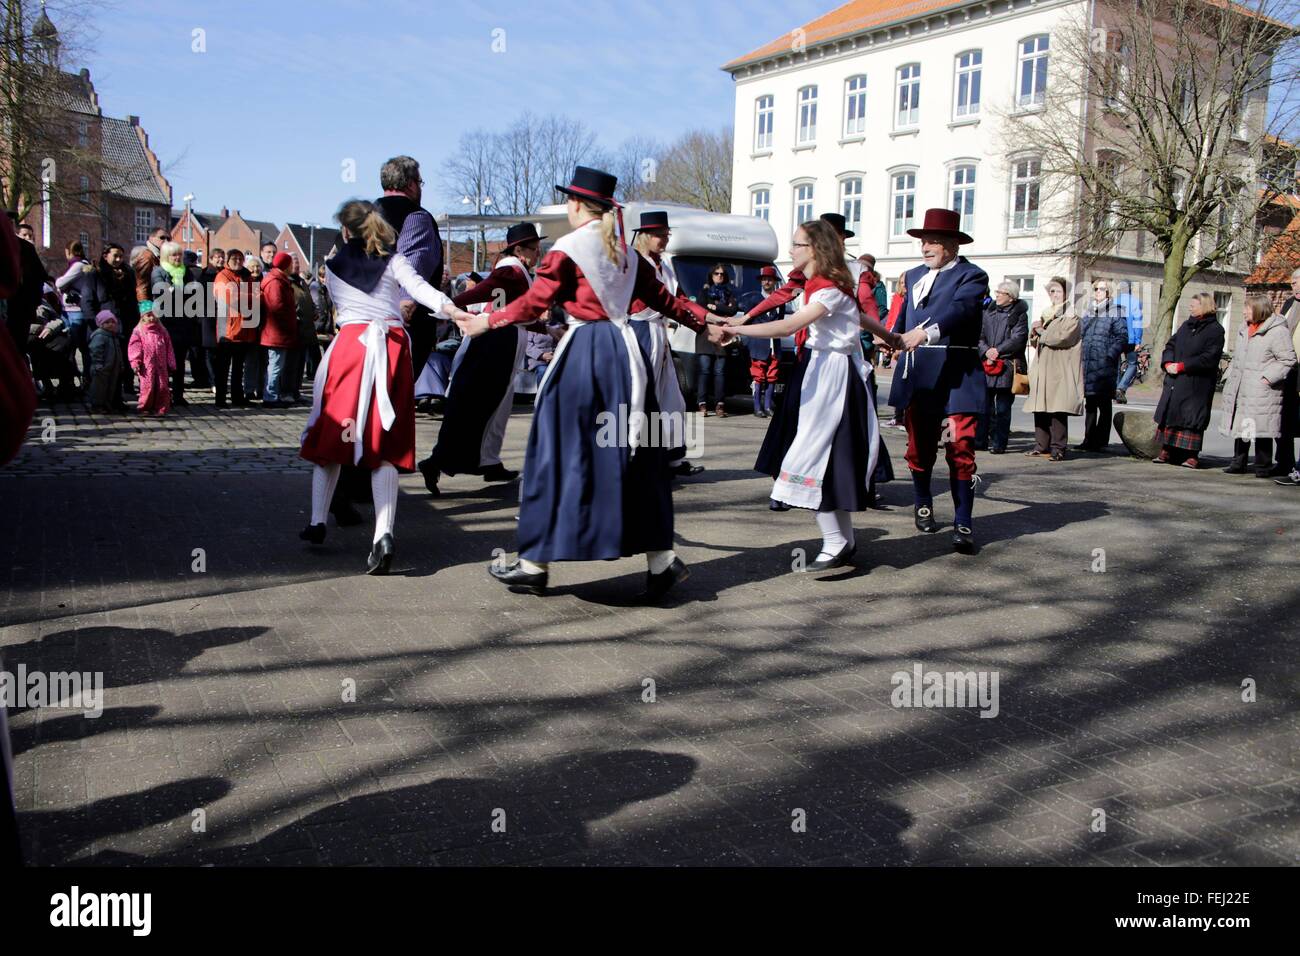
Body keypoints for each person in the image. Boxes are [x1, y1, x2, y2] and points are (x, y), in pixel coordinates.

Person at [454, 165, 712, 600]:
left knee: (556, 453)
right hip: (628, 361)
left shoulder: (568, 249)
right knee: (636, 457)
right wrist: (706, 324)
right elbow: (665, 300)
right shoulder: (625, 251)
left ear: (575, 204)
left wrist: (485, 322)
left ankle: (535, 564)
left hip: (586, 358)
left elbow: (535, 303)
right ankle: (661, 561)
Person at [299, 200, 476, 574]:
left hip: (349, 350)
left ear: (346, 231)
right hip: (390, 350)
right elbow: (422, 291)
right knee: (384, 442)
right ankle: (383, 534)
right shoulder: (396, 261)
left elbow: (342, 309)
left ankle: (316, 520)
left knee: (332, 437)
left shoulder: (331, 268)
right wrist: (457, 312)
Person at [720, 219, 897, 572]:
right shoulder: (823, 285)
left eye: (796, 245)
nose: (790, 250)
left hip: (831, 377)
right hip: (821, 373)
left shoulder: (828, 287)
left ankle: (836, 540)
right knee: (824, 456)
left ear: (814, 249)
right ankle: (842, 540)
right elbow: (860, 317)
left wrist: (734, 329)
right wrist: (892, 337)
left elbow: (790, 325)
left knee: (813, 454)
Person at [886, 208, 989, 554]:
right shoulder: (913, 275)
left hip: (958, 374)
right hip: (920, 376)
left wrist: (923, 333)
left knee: (960, 448)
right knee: (919, 448)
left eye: (933, 241)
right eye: (922, 241)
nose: (925, 246)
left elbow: (960, 311)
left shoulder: (972, 276)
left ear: (952, 244)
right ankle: (923, 501)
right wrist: (890, 340)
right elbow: (902, 320)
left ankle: (963, 521)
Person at [418, 222, 542, 496]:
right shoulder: (510, 271)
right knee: (480, 406)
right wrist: (453, 306)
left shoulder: (515, 272)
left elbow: (510, 310)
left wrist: (545, 328)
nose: (538, 253)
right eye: (534, 249)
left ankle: (489, 461)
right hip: (497, 345)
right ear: (520, 250)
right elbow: (487, 291)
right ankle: (438, 461)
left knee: (494, 405)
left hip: (500, 340)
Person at [630, 210, 703, 476]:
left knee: (672, 397)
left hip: (658, 332)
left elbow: (680, 299)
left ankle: (671, 457)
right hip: (640, 331)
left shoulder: (664, 266)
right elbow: (666, 302)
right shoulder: (637, 263)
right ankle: (635, 457)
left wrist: (712, 318)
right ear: (644, 236)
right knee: (640, 396)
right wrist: (704, 325)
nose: (664, 240)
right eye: (660, 235)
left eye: (666, 235)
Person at [1219, 294, 1296, 476]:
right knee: (1241, 423)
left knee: (1262, 425)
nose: (1244, 311)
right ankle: (1239, 461)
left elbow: (1288, 359)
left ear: (1258, 310)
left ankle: (1263, 465)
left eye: (1247, 308)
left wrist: (1268, 378)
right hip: (1242, 384)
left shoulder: (1277, 331)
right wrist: (1230, 375)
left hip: (1263, 387)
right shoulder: (1243, 329)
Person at [1152, 291, 1226, 468]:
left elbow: (1210, 357)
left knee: (1192, 418)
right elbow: (1171, 344)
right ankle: (1166, 450)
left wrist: (1184, 366)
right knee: (1171, 413)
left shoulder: (1215, 330)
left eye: (1194, 304)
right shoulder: (1186, 325)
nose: (1190, 307)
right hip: (1175, 380)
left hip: (1196, 383)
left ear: (1205, 306)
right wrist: (1168, 362)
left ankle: (1191, 455)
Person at [1025, 277, 1084, 460]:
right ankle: (1041, 444)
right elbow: (1037, 341)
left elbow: (1061, 338)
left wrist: (1041, 331)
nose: (1055, 295)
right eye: (1052, 291)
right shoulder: (1046, 313)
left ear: (1066, 293)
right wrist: (1034, 333)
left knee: (1057, 408)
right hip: (1043, 366)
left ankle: (1058, 448)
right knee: (1040, 406)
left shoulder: (1071, 315)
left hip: (1060, 367)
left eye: (1058, 291)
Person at [976, 281, 1029, 454]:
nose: (997, 294)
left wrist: (997, 351)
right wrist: (986, 351)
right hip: (988, 364)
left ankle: (999, 443)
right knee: (984, 406)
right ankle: (980, 440)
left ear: (1011, 297)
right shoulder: (988, 312)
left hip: (1008, 366)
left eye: (1002, 292)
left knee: (1003, 409)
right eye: (997, 291)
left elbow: (1018, 339)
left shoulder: (1020, 315)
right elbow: (979, 336)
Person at [1076, 279, 1128, 451]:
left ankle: (1101, 441)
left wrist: (1109, 356)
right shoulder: (1089, 311)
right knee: (1090, 403)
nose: (1097, 291)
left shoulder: (1116, 312)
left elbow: (1121, 337)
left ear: (1109, 292)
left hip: (1105, 364)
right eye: (1095, 289)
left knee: (1104, 404)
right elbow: (1080, 333)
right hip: (1089, 363)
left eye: (1101, 289)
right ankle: (1088, 439)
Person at [149, 241, 198, 406]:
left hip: (183, 322)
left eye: (179, 254)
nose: (178, 258)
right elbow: (161, 293)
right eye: (174, 254)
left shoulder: (187, 273)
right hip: (165, 322)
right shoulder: (159, 272)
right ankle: (162, 393)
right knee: (162, 360)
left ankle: (178, 394)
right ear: (166, 256)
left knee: (179, 361)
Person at [54, 240, 104, 387]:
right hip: (71, 310)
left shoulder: (78, 265)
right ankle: (76, 378)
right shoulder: (84, 264)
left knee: (77, 347)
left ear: (68, 251)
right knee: (76, 347)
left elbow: (60, 284)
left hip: (75, 312)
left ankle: (84, 379)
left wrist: (59, 281)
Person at [738, 266, 784, 418]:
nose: (767, 282)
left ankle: (768, 406)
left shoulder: (780, 301)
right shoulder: (753, 299)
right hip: (758, 343)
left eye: (769, 279)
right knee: (758, 376)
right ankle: (757, 407)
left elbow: (781, 321)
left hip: (774, 344)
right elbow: (747, 321)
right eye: (764, 279)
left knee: (772, 376)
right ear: (761, 281)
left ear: (774, 282)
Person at [696, 262, 737, 417]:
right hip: (705, 335)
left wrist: (714, 307)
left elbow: (733, 309)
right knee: (704, 370)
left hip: (722, 335)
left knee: (720, 371)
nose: (719, 276)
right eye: (716, 273)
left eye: (722, 274)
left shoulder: (728, 292)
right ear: (711, 275)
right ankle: (702, 404)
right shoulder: (704, 291)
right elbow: (700, 307)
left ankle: (720, 405)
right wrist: (721, 311)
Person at [1272, 267, 1300, 483]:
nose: (1296, 287)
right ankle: (1284, 463)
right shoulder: (1290, 303)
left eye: (1299, 282)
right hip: (1288, 368)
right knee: (1284, 418)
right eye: (1293, 283)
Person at [258, 251, 298, 407]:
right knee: (275, 365)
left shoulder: (278, 280)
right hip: (276, 331)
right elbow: (276, 307)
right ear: (285, 265)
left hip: (278, 331)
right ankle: (270, 397)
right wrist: (290, 319)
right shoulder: (275, 282)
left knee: (276, 364)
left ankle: (273, 395)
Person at [127, 308, 175, 415]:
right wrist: (135, 362)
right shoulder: (139, 331)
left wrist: (171, 362)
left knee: (162, 387)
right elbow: (135, 347)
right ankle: (145, 407)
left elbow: (169, 347)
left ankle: (161, 407)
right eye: (148, 315)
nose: (152, 318)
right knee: (147, 387)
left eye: (154, 315)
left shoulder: (162, 331)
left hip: (161, 365)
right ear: (142, 317)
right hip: (147, 365)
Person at [196, 248, 226, 392]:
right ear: (211, 259)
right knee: (209, 351)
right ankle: (213, 381)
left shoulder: (225, 274)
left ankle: (218, 381)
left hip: (222, 316)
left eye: (222, 257)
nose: (220, 260)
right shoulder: (204, 275)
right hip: (208, 317)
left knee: (221, 352)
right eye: (218, 257)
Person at [86, 310, 125, 412]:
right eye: (107, 322)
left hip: (113, 367)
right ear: (101, 324)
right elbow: (96, 351)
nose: (111, 324)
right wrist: (98, 364)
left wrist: (120, 364)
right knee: (99, 388)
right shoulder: (99, 336)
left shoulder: (114, 336)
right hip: (101, 368)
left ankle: (107, 404)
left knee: (110, 387)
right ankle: (97, 405)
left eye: (112, 322)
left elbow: (118, 352)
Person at [1113, 279, 1144, 403]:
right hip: (1130, 339)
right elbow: (1137, 322)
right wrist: (1138, 340)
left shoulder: (1114, 302)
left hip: (1116, 338)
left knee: (1116, 364)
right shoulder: (1136, 302)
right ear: (1130, 288)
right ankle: (1121, 388)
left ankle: (1115, 389)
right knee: (1132, 364)